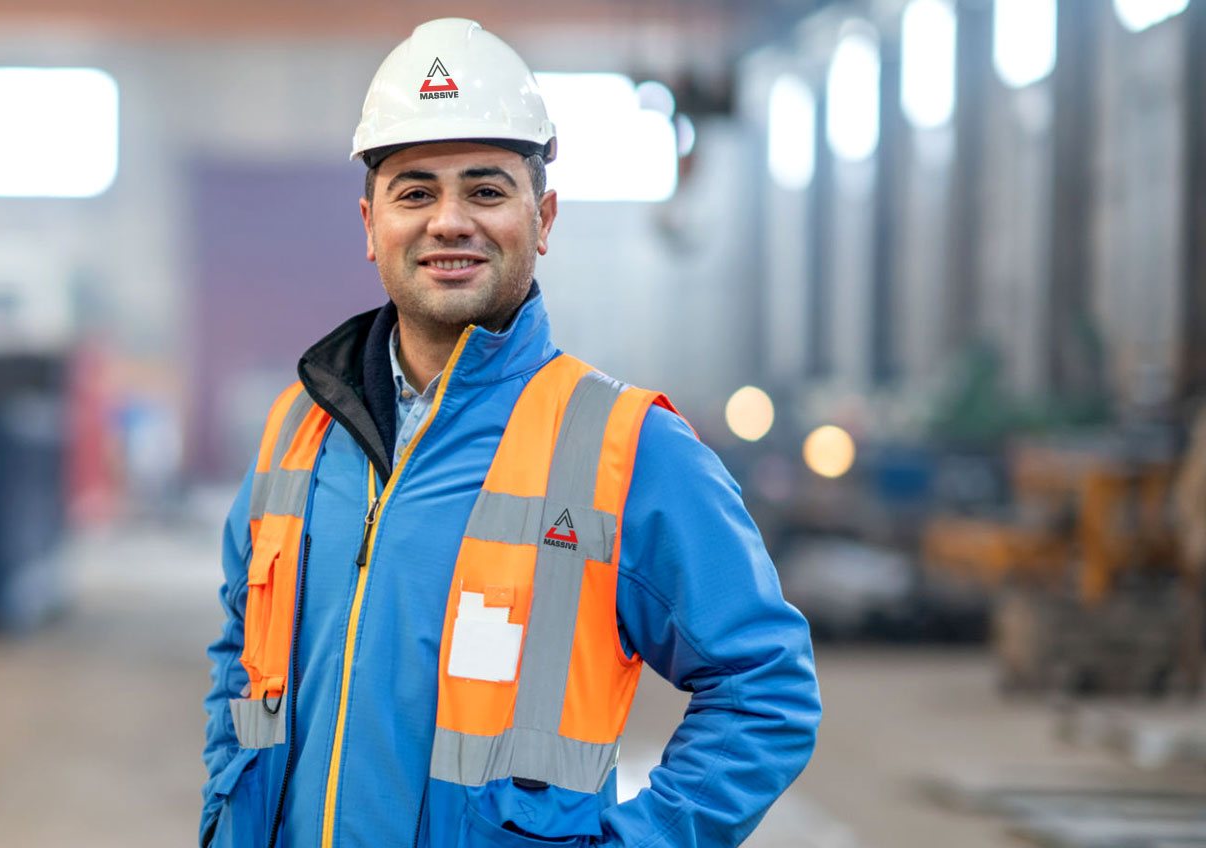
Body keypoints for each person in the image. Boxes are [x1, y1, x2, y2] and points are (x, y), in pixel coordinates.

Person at [199, 18, 821, 848]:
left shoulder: (626, 449)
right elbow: (242, 658)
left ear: (544, 217)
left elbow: (766, 688)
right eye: (415, 191)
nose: (449, 221)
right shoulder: (298, 430)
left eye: (486, 190)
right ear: (369, 222)